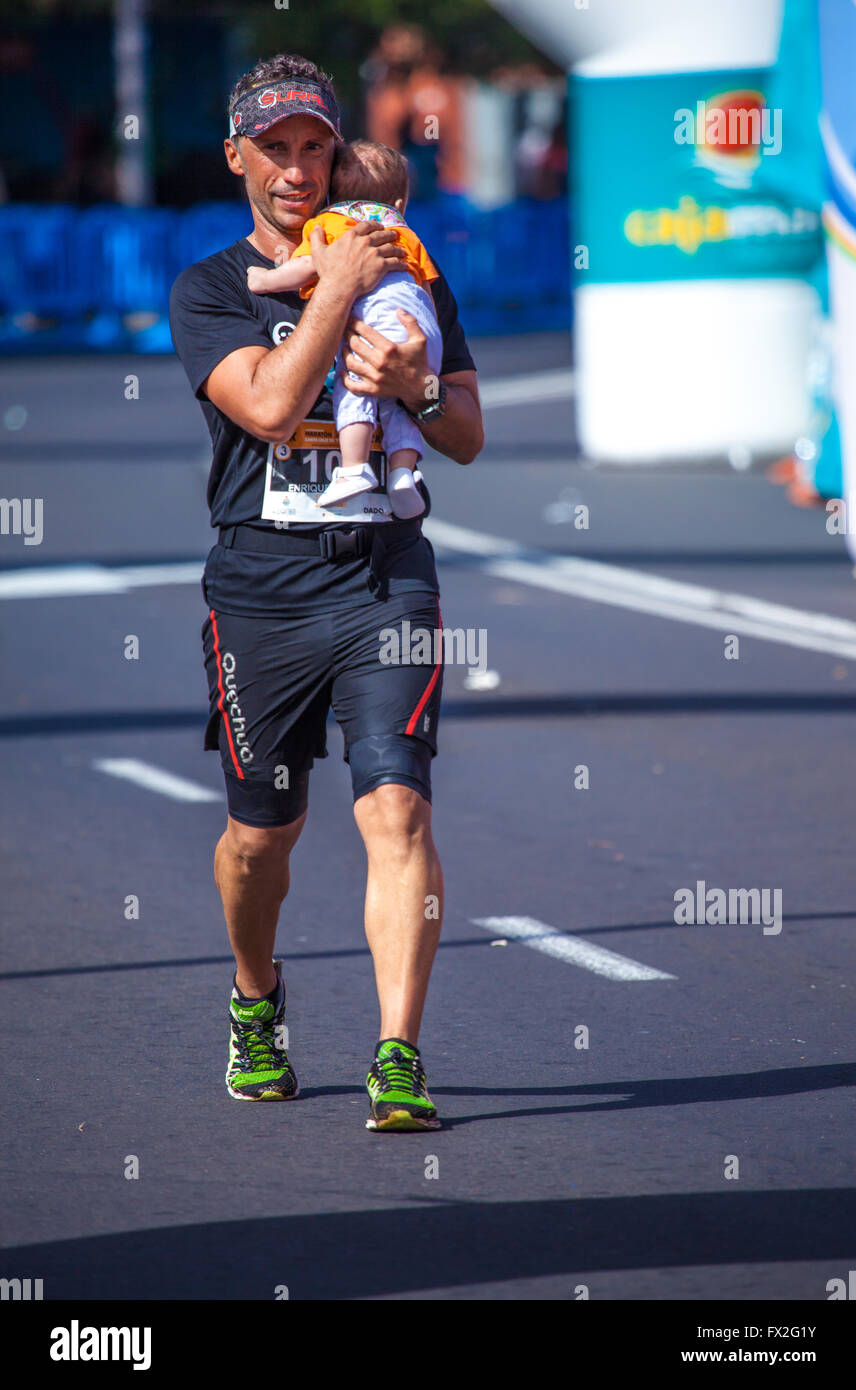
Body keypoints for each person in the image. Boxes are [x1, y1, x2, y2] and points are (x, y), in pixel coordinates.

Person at [169, 53, 483, 1132]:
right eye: (277, 150)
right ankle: (255, 997)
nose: (299, 171)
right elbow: (264, 406)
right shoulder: (212, 288)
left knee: (395, 807)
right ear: (237, 160)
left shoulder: (406, 259)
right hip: (260, 588)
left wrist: (417, 386)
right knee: (264, 834)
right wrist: (335, 287)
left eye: (316, 148)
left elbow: (467, 433)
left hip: (384, 576)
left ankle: (398, 1054)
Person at [246, 139, 440, 520]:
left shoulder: (333, 223)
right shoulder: (406, 233)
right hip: (418, 326)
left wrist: (266, 280)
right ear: (400, 205)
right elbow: (426, 289)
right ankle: (403, 471)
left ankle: (353, 469)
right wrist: (427, 364)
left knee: (355, 388)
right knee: (399, 404)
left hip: (374, 320)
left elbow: (303, 268)